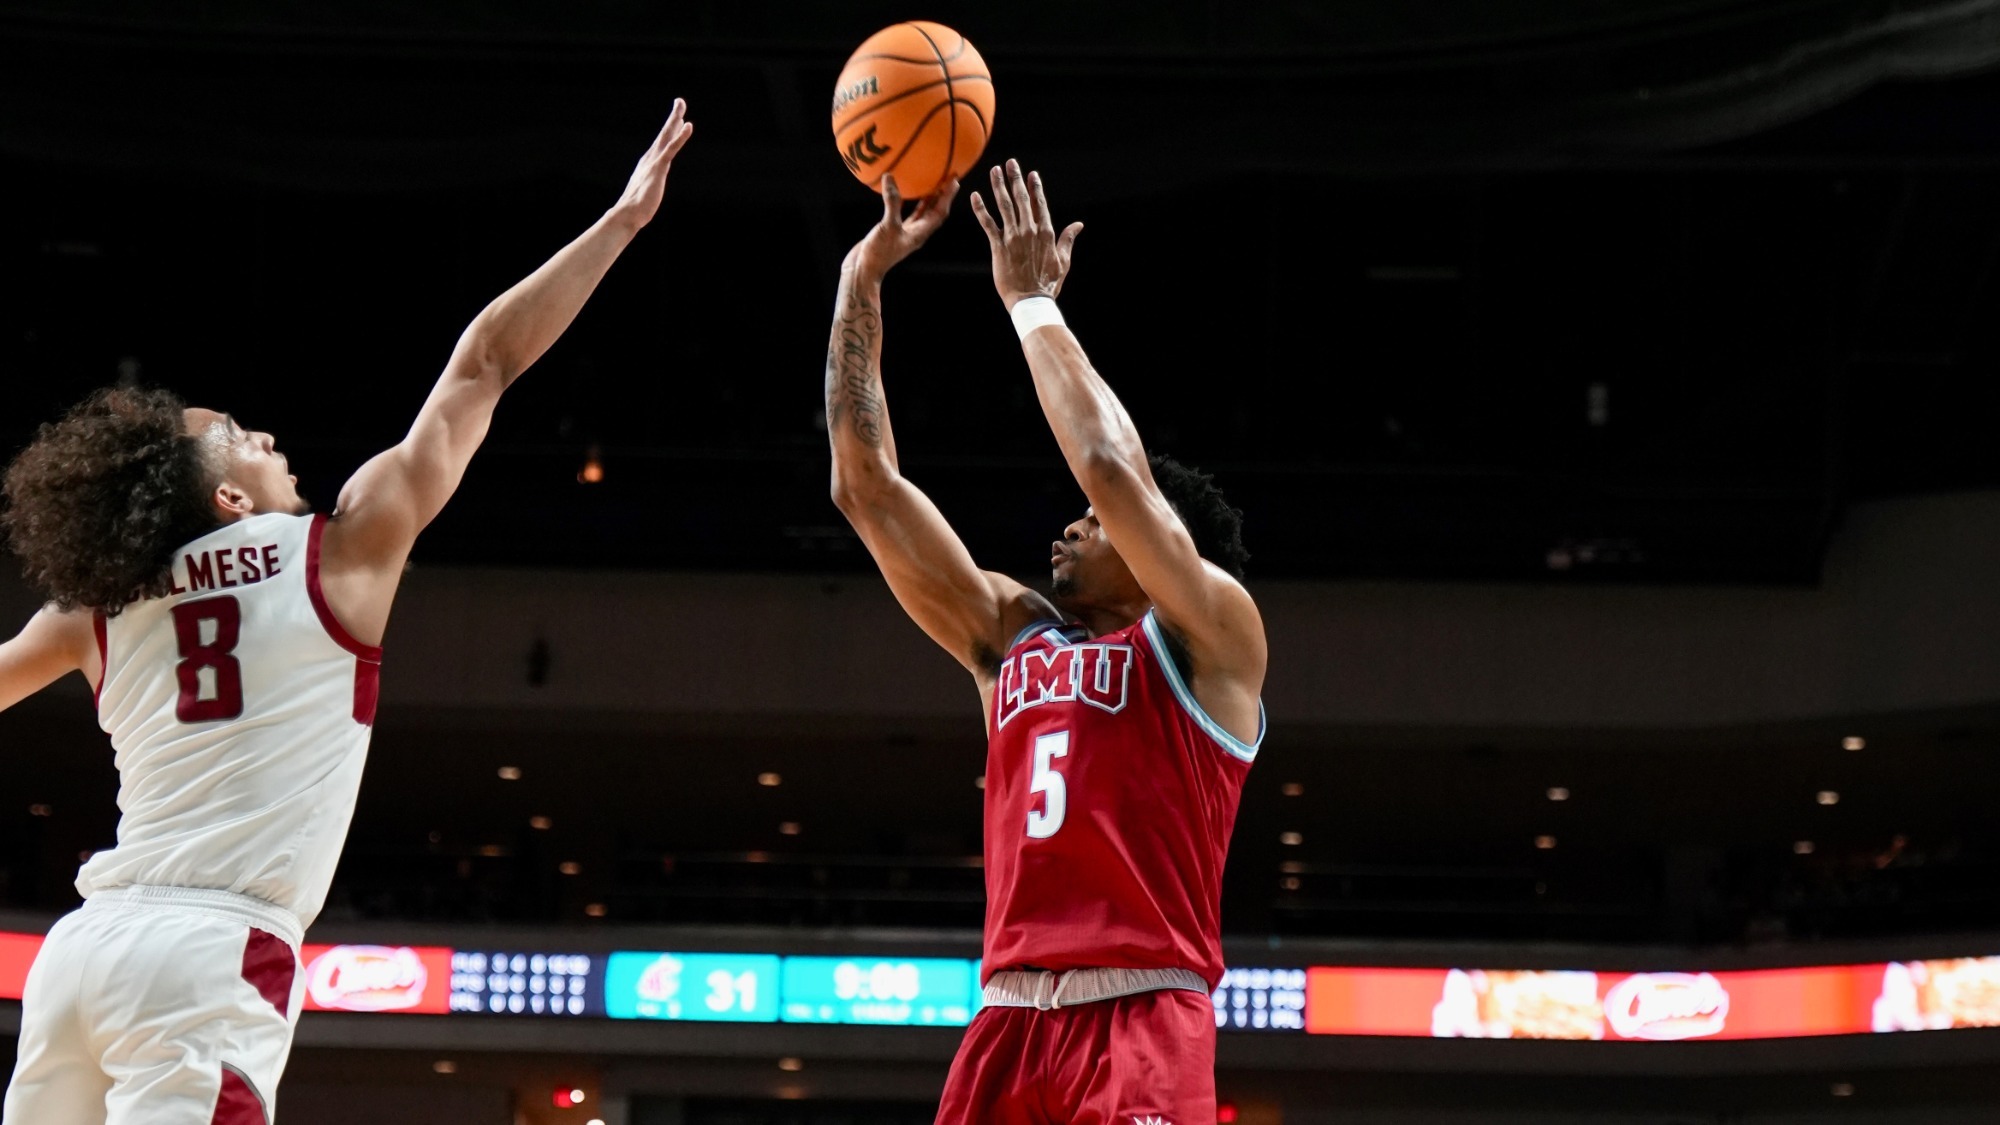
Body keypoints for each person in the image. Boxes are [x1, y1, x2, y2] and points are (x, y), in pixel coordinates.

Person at [0, 100, 695, 1124]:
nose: (266, 434)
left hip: (82, 951)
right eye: (237, 436)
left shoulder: (94, 610)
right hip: (208, 953)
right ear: (227, 500)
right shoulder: (340, 550)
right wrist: (624, 221)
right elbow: (484, 363)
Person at [824, 160, 1266, 1124]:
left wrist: (1030, 305)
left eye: (1093, 524)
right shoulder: (1012, 640)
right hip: (1009, 1019)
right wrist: (862, 279)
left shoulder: (1211, 635)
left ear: (1160, 545)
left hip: (1143, 1011)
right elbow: (863, 486)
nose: (1068, 528)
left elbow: (1110, 464)